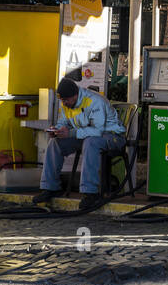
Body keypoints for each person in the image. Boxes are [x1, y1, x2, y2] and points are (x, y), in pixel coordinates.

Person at [33, 77, 126, 211]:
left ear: (75, 95)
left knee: (91, 142)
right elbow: (63, 122)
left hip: (112, 136)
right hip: (86, 136)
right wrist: (57, 131)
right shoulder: (67, 103)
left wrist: (70, 134)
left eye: (66, 100)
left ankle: (90, 193)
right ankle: (50, 188)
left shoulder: (95, 101)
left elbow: (97, 131)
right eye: (62, 100)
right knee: (55, 143)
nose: (63, 103)